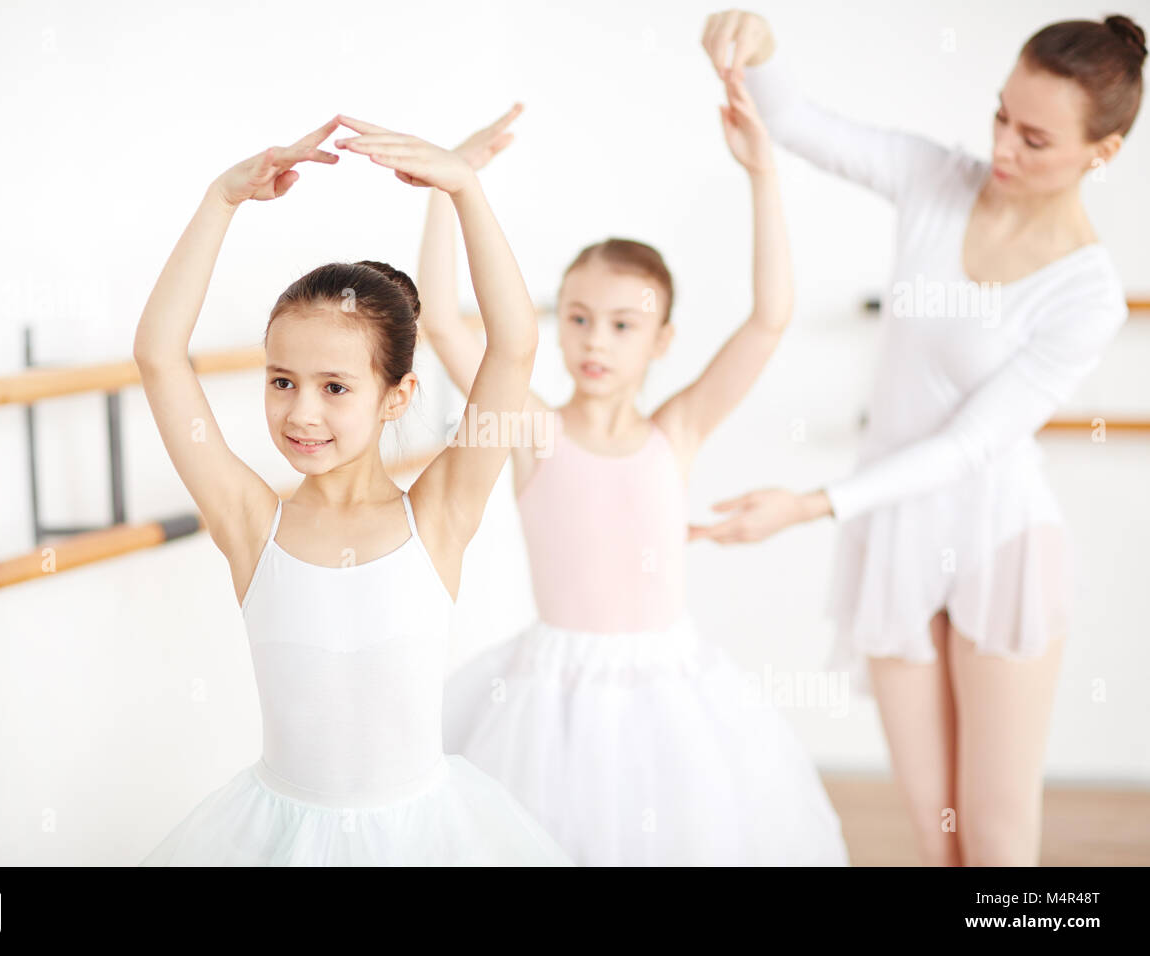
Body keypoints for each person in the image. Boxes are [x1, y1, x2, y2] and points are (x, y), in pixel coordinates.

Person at [691, 10, 1143, 865]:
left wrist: (811, 505)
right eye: (1001, 115)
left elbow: (974, 443)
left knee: (998, 841)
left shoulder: (1086, 297)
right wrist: (761, 45)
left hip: (1000, 544)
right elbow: (797, 124)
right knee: (939, 838)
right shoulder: (938, 179)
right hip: (897, 537)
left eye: (1036, 138)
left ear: (1103, 153)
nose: (1004, 147)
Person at [419, 75, 848, 864]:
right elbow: (441, 319)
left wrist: (762, 172)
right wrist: (450, 186)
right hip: (550, 694)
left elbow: (769, 317)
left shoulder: (676, 430)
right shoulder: (534, 429)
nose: (595, 341)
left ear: (661, 342)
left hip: (671, 691)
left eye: (623, 325)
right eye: (577, 319)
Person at [133, 115, 571, 865]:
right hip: (281, 837)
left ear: (396, 396)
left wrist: (464, 187)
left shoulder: (439, 514)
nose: (302, 412)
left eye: (335, 386)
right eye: (282, 382)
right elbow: (158, 356)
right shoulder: (249, 523)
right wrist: (220, 200)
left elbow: (515, 344)